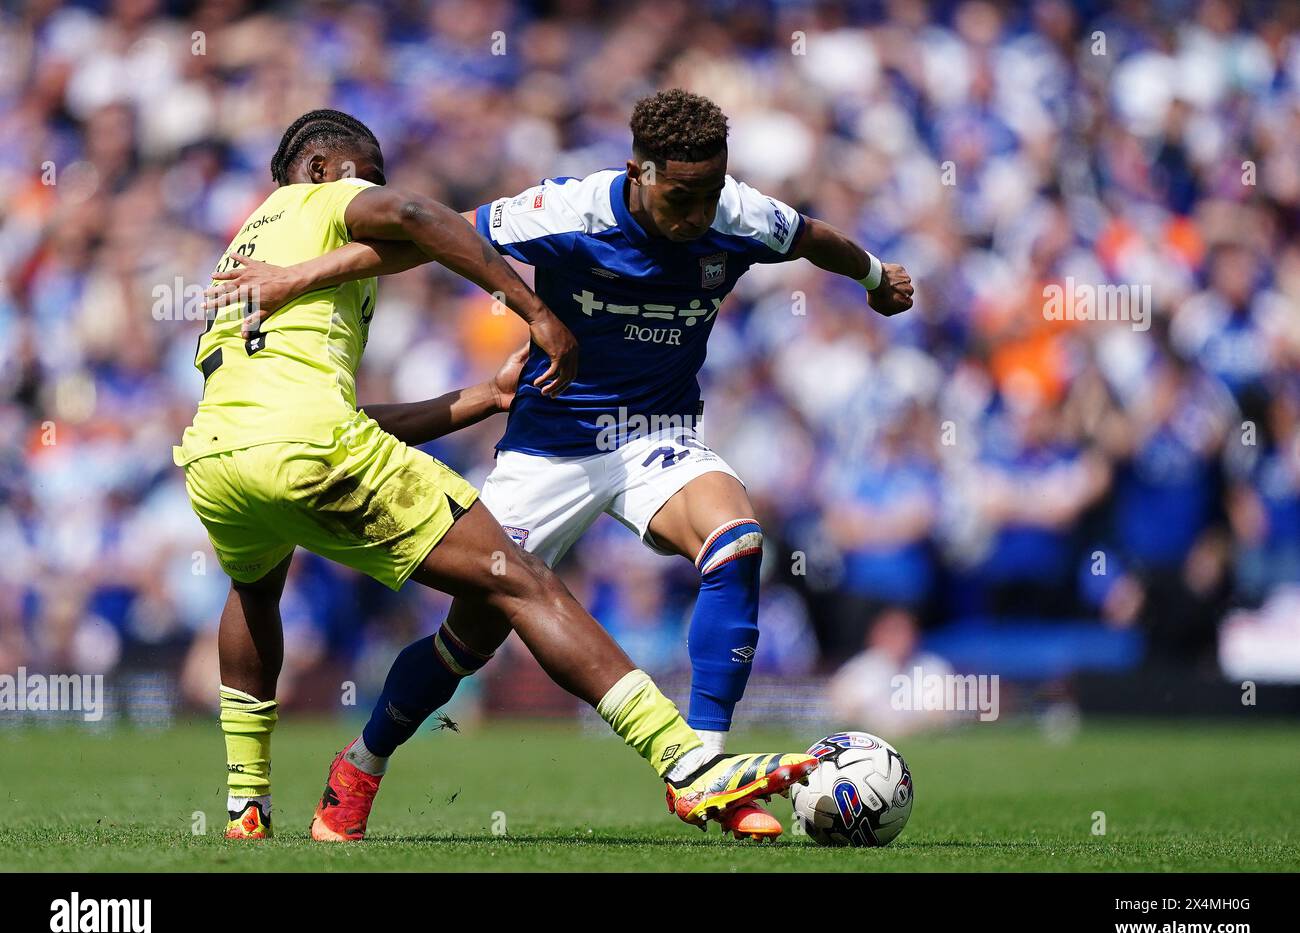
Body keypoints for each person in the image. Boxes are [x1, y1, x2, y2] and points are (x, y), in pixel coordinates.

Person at [206, 91, 908, 838]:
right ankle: (363, 762)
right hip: (548, 447)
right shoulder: (565, 210)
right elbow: (433, 235)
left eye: (710, 194)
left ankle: (709, 773)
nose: (699, 214)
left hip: (653, 434)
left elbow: (809, 237)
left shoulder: (739, 214)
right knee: (468, 640)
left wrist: (873, 278)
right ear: (638, 171)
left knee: (736, 541)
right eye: (681, 196)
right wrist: (305, 274)